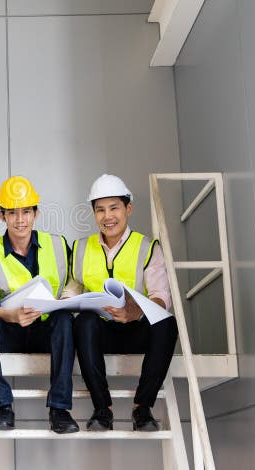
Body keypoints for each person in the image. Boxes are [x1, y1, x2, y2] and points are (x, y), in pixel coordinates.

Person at [0, 176, 79, 434]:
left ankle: (60, 410)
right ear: (2, 216)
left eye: (26, 212)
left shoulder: (58, 245)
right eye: (12, 213)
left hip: (46, 331)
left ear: (36, 213)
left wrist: (67, 297)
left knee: (65, 320)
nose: (20, 220)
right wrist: (12, 316)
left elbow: (76, 280)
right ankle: (2, 407)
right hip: (11, 331)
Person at [72, 174, 178, 432]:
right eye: (100, 210)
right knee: (83, 322)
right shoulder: (81, 248)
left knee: (167, 324)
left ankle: (142, 408)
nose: (107, 216)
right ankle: (102, 409)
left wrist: (136, 310)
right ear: (94, 214)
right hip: (102, 332)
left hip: (136, 331)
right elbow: (72, 288)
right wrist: (64, 301)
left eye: (114, 208)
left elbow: (161, 296)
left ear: (128, 209)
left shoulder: (147, 247)